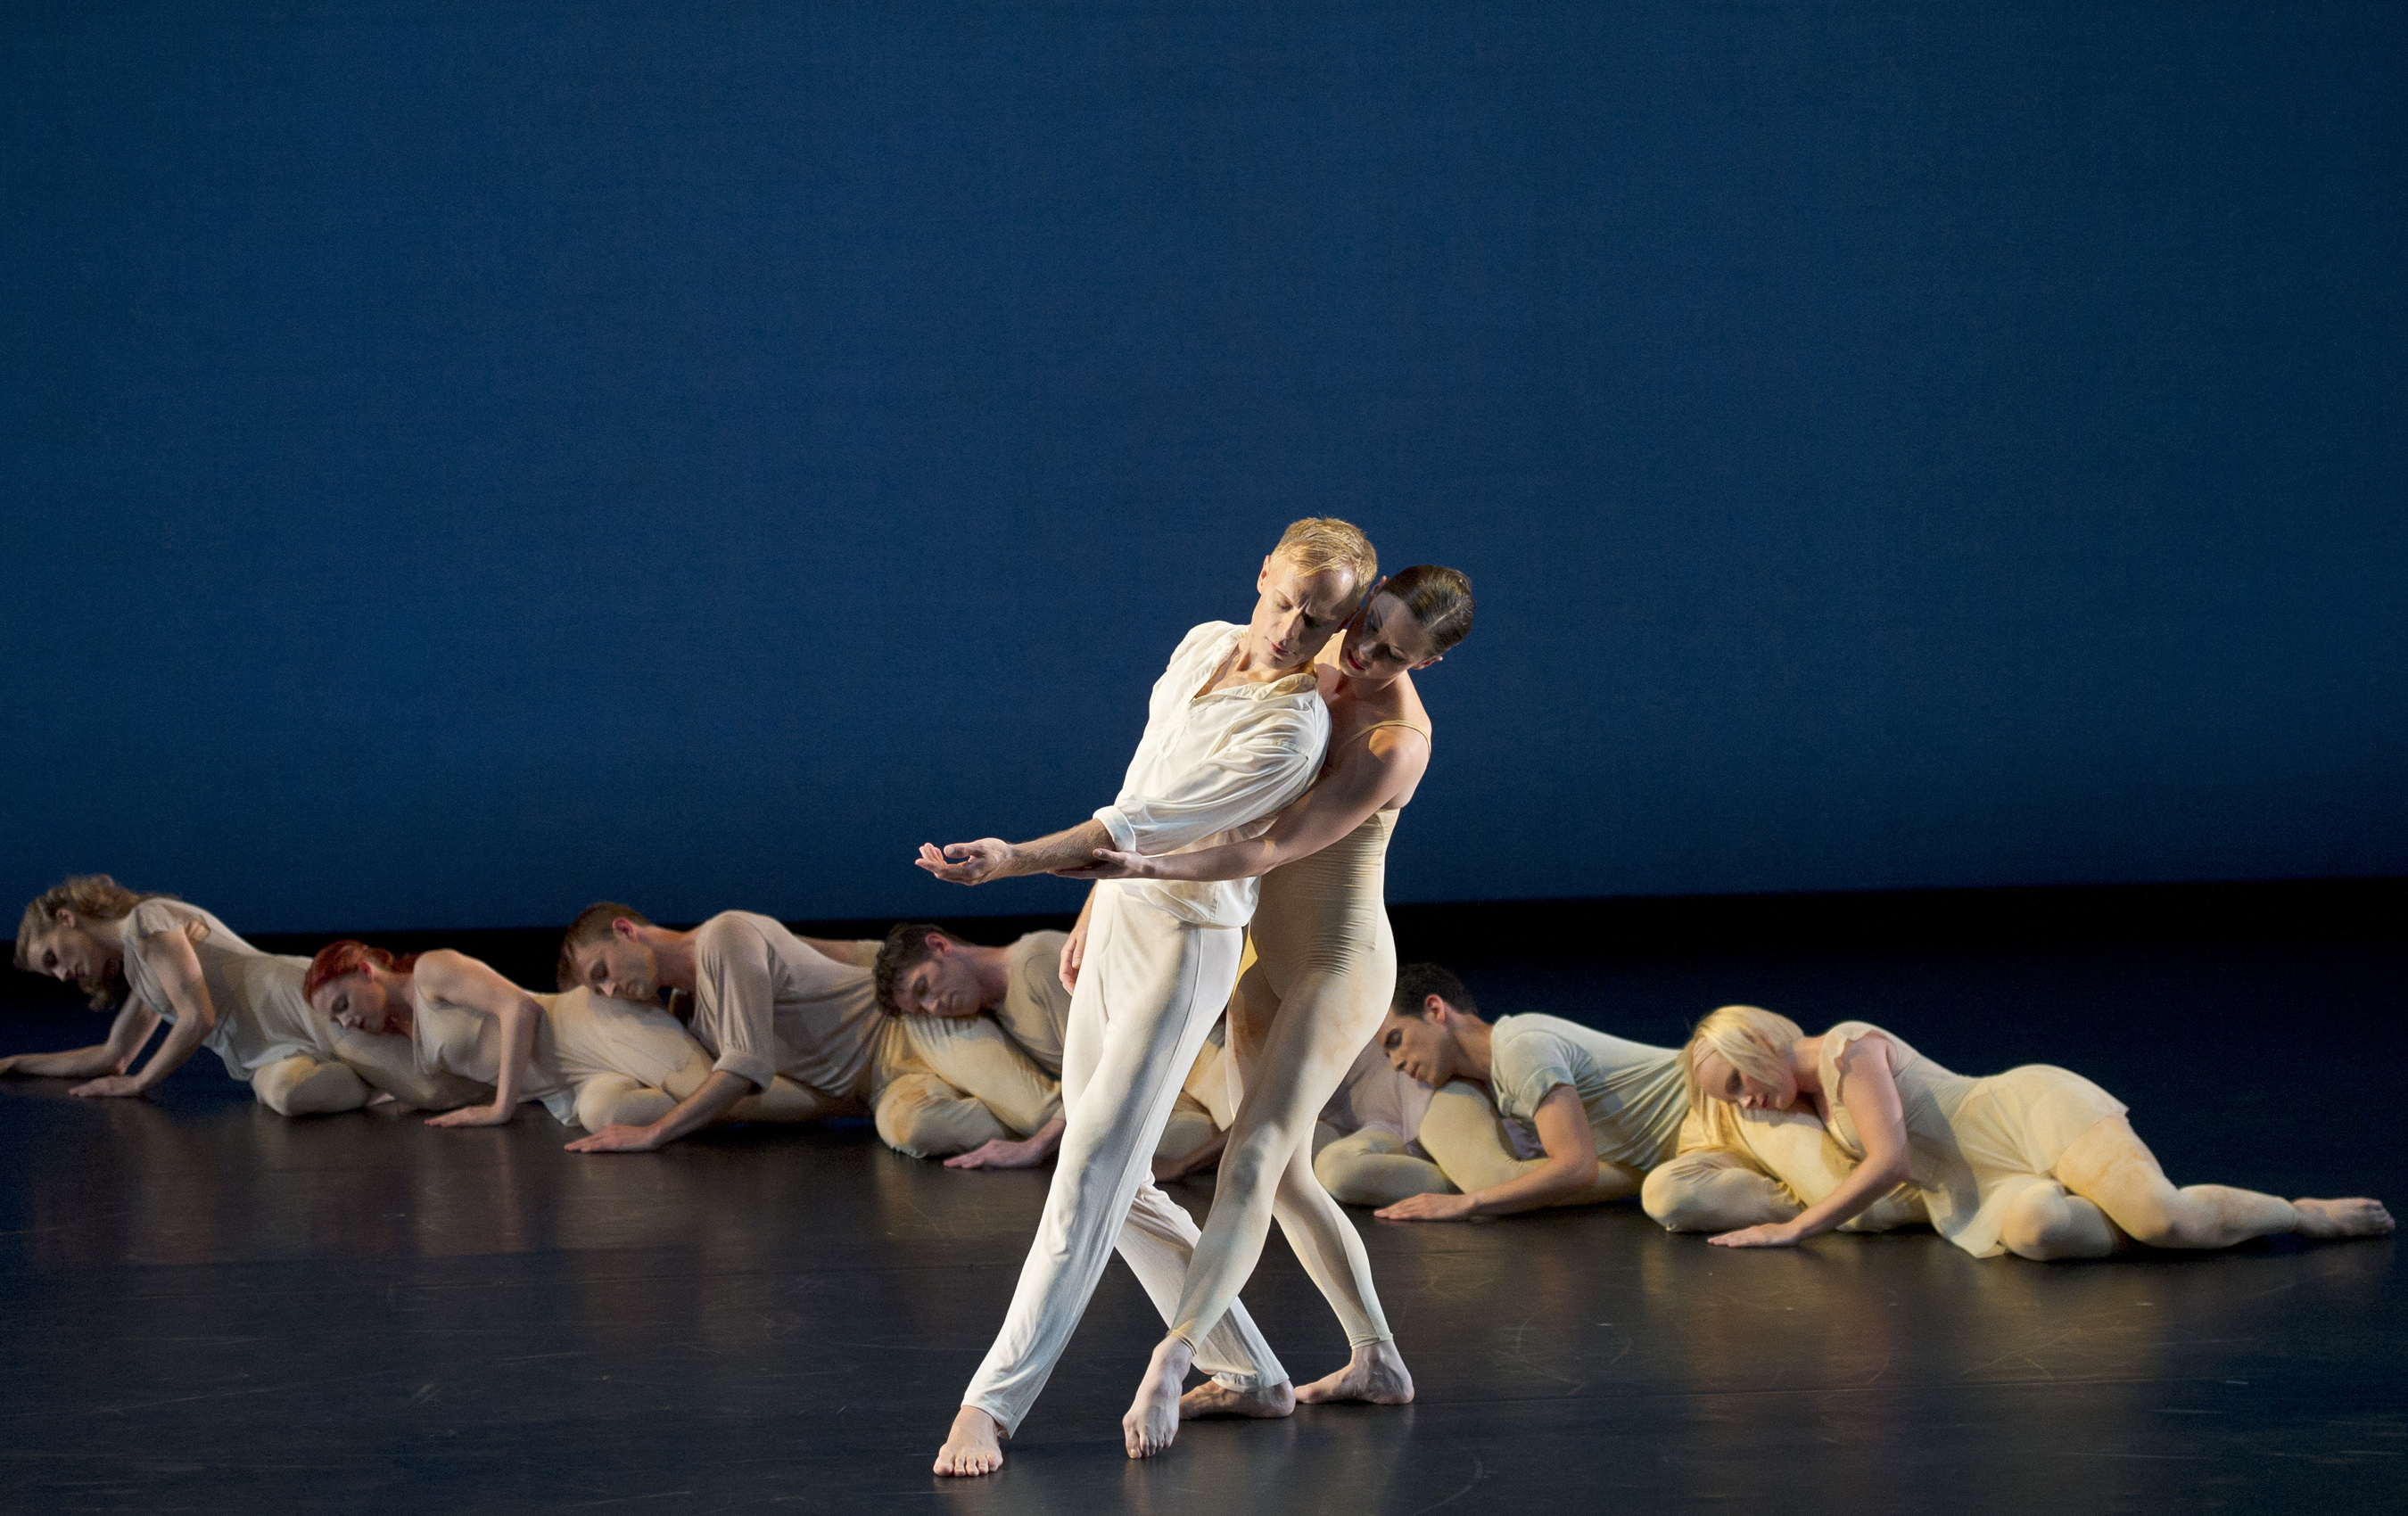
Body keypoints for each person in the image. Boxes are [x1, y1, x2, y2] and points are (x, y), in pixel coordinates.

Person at [913, 517, 1371, 1475]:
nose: (1292, 627)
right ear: (1261, 573)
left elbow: (1145, 820)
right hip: (1121, 920)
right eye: (1286, 599)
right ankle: (1249, 1370)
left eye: (1318, 618)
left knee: (1086, 1175)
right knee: (1121, 1185)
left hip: (1184, 949)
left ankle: (989, 1405)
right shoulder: (1203, 643)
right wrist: (1092, 902)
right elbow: (1141, 779)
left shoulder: (1292, 728)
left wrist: (1011, 863)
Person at [1057, 563, 1475, 1451]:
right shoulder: (1310, 653)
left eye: (1394, 652)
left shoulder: (1398, 739)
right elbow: (1178, 773)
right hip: (1266, 960)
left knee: (1250, 1160)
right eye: (1365, 628)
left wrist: (1140, 868)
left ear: (1426, 663)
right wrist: (1105, 894)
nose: (1361, 652)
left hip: (1337, 967)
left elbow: (1274, 842)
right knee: (1284, 1175)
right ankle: (1378, 1358)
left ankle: (1175, 1357)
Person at [1681, 1004, 2393, 1258]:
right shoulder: (1802, 1099)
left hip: (2027, 1113)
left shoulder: (1847, 1049)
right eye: (1734, 1098)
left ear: (1761, 1048)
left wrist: (1796, 1229)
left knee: (2165, 1221)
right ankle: (2139, 1228)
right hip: (1983, 1184)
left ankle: (2302, 1215)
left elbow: (1893, 1160)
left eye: (1742, 1084)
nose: (1749, 1103)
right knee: (2038, 1234)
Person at [556, 903, 1058, 1160]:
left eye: (601, 972)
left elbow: (745, 1067)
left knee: (1041, 1114)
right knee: (911, 1131)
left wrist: (652, 1134)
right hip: (881, 1087)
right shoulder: (689, 1007)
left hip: (910, 1030)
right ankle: (1040, 1132)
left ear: (625, 930)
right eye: (596, 990)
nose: (609, 990)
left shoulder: (725, 937)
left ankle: (1097, 1135)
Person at [8, 875, 482, 1114]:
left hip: (294, 1004)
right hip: (263, 1051)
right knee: (285, 1095)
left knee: (432, 1092)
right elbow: (113, 1054)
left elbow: (198, 1019)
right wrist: (14, 1062)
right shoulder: (142, 965)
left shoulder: (147, 922)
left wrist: (140, 1083)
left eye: (52, 958)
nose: (62, 975)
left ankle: (526, 1080)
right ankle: (377, 1075)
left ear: (66, 918)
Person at [875, 922, 1232, 1175]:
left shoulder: (1036, 961)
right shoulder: (1000, 1011)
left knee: (1260, 1129)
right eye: (921, 1010)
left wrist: (1037, 1145)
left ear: (939, 946)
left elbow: (1105, 1066)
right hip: (1157, 1085)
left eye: (924, 988)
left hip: (1192, 1047)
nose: (934, 1008)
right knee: (1165, 1142)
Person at [1359, 963, 1690, 1224]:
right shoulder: (1500, 1079)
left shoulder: (1520, 1047)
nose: (1396, 1064)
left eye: (1396, 1040)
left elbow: (1578, 1168)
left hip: (1715, 1105)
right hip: (1696, 1147)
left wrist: (1467, 1202)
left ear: (1434, 1010)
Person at [301, 940, 719, 1131]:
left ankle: (738, 1085)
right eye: (335, 1021)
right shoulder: (408, 1031)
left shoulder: (431, 972)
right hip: (574, 1084)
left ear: (365, 971)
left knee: (729, 1097)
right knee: (605, 1117)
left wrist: (501, 1109)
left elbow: (520, 1008)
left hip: (590, 1026)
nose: (346, 1021)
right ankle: (713, 1074)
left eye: (342, 1005)